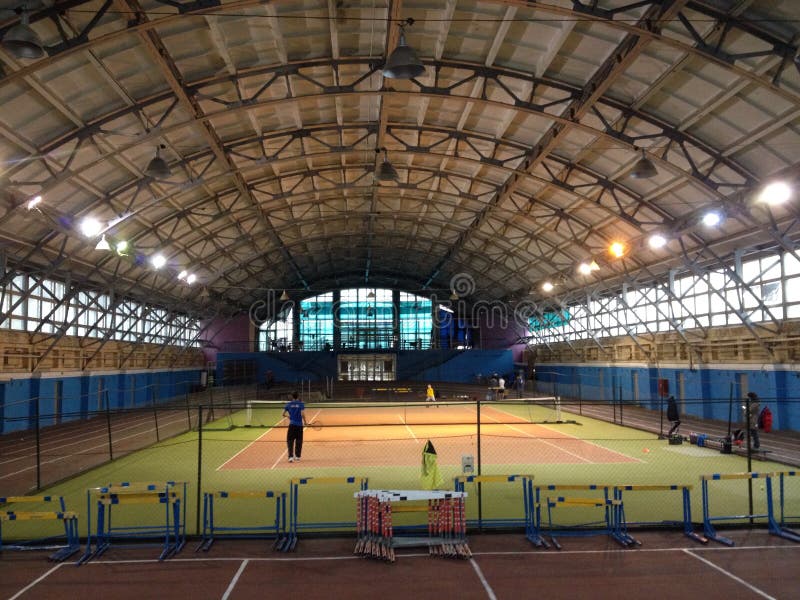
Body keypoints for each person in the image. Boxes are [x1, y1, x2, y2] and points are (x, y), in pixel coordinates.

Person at [283, 391, 307, 462]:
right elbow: (302, 414)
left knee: (290, 441)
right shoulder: (301, 404)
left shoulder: (288, 404)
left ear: (292, 396)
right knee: (299, 441)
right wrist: (305, 422)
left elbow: (283, 414)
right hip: (299, 426)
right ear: (298, 396)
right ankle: (297, 457)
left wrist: (289, 417)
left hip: (292, 425)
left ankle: (290, 457)